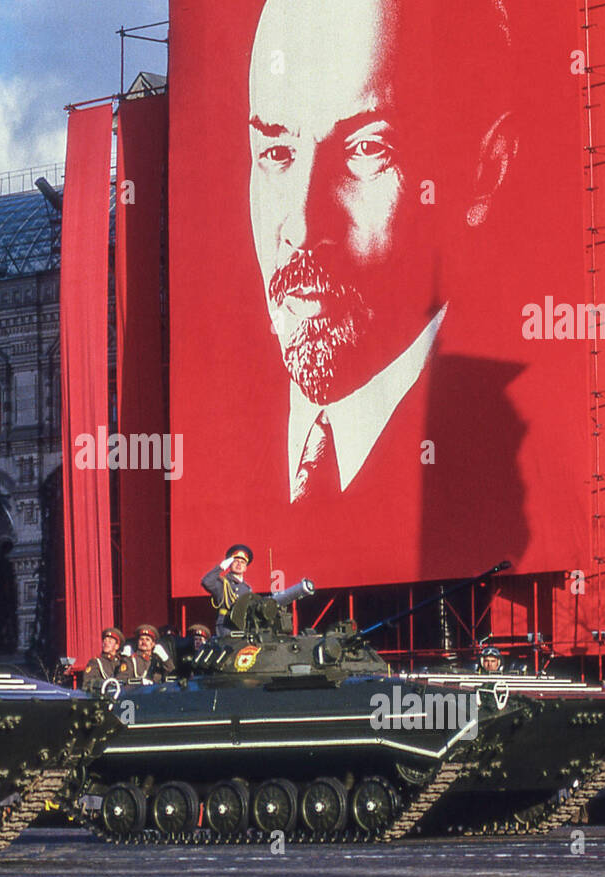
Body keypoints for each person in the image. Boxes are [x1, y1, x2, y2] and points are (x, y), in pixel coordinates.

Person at [246, 0, 520, 508]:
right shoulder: (220, 442)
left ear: (487, 171)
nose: (303, 228)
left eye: (366, 150)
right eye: (277, 153)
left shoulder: (514, 447)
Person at [201, 544, 254, 636]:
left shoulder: (247, 589)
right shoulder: (222, 583)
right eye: (236, 561)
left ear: (245, 567)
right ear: (230, 564)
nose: (239, 564)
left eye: (242, 562)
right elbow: (206, 582)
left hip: (241, 626)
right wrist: (220, 568)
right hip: (225, 625)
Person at [76, 627, 128, 693]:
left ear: (116, 646)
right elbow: (87, 683)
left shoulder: (122, 661)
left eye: (110, 642)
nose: (106, 643)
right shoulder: (96, 662)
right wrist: (102, 683)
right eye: (105, 641)